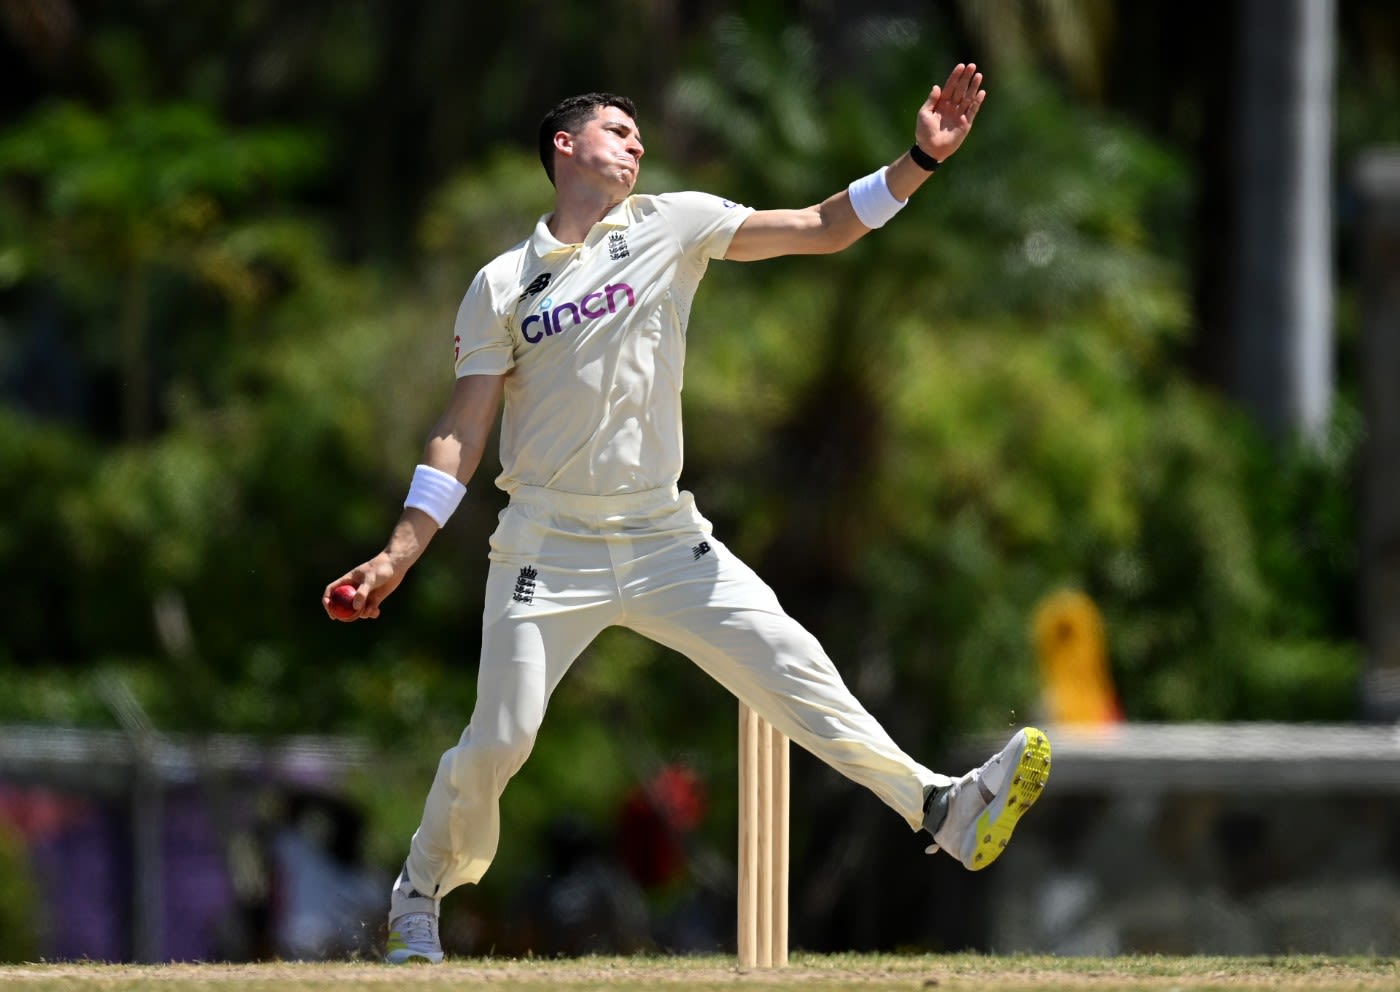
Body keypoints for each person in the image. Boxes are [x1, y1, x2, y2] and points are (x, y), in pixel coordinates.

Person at [323, 63, 1052, 965]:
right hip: (547, 544)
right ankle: (421, 894)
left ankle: (937, 805)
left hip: (666, 536)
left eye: (638, 132)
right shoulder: (502, 284)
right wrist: (398, 554)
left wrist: (918, 162)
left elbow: (821, 228)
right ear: (565, 146)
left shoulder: (673, 222)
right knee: (501, 739)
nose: (635, 140)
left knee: (792, 662)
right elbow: (461, 433)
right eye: (615, 129)